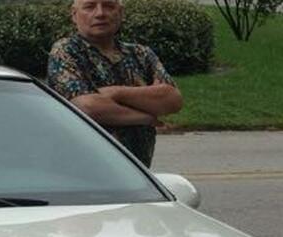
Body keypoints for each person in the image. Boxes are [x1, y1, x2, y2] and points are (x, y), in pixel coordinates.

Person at [46, 0, 184, 167]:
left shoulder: (141, 54)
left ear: (120, 13)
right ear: (74, 15)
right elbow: (88, 107)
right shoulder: (66, 51)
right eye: (90, 7)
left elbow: (172, 100)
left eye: (109, 6)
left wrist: (116, 93)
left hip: (136, 172)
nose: (100, 13)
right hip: (82, 171)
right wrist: (145, 117)